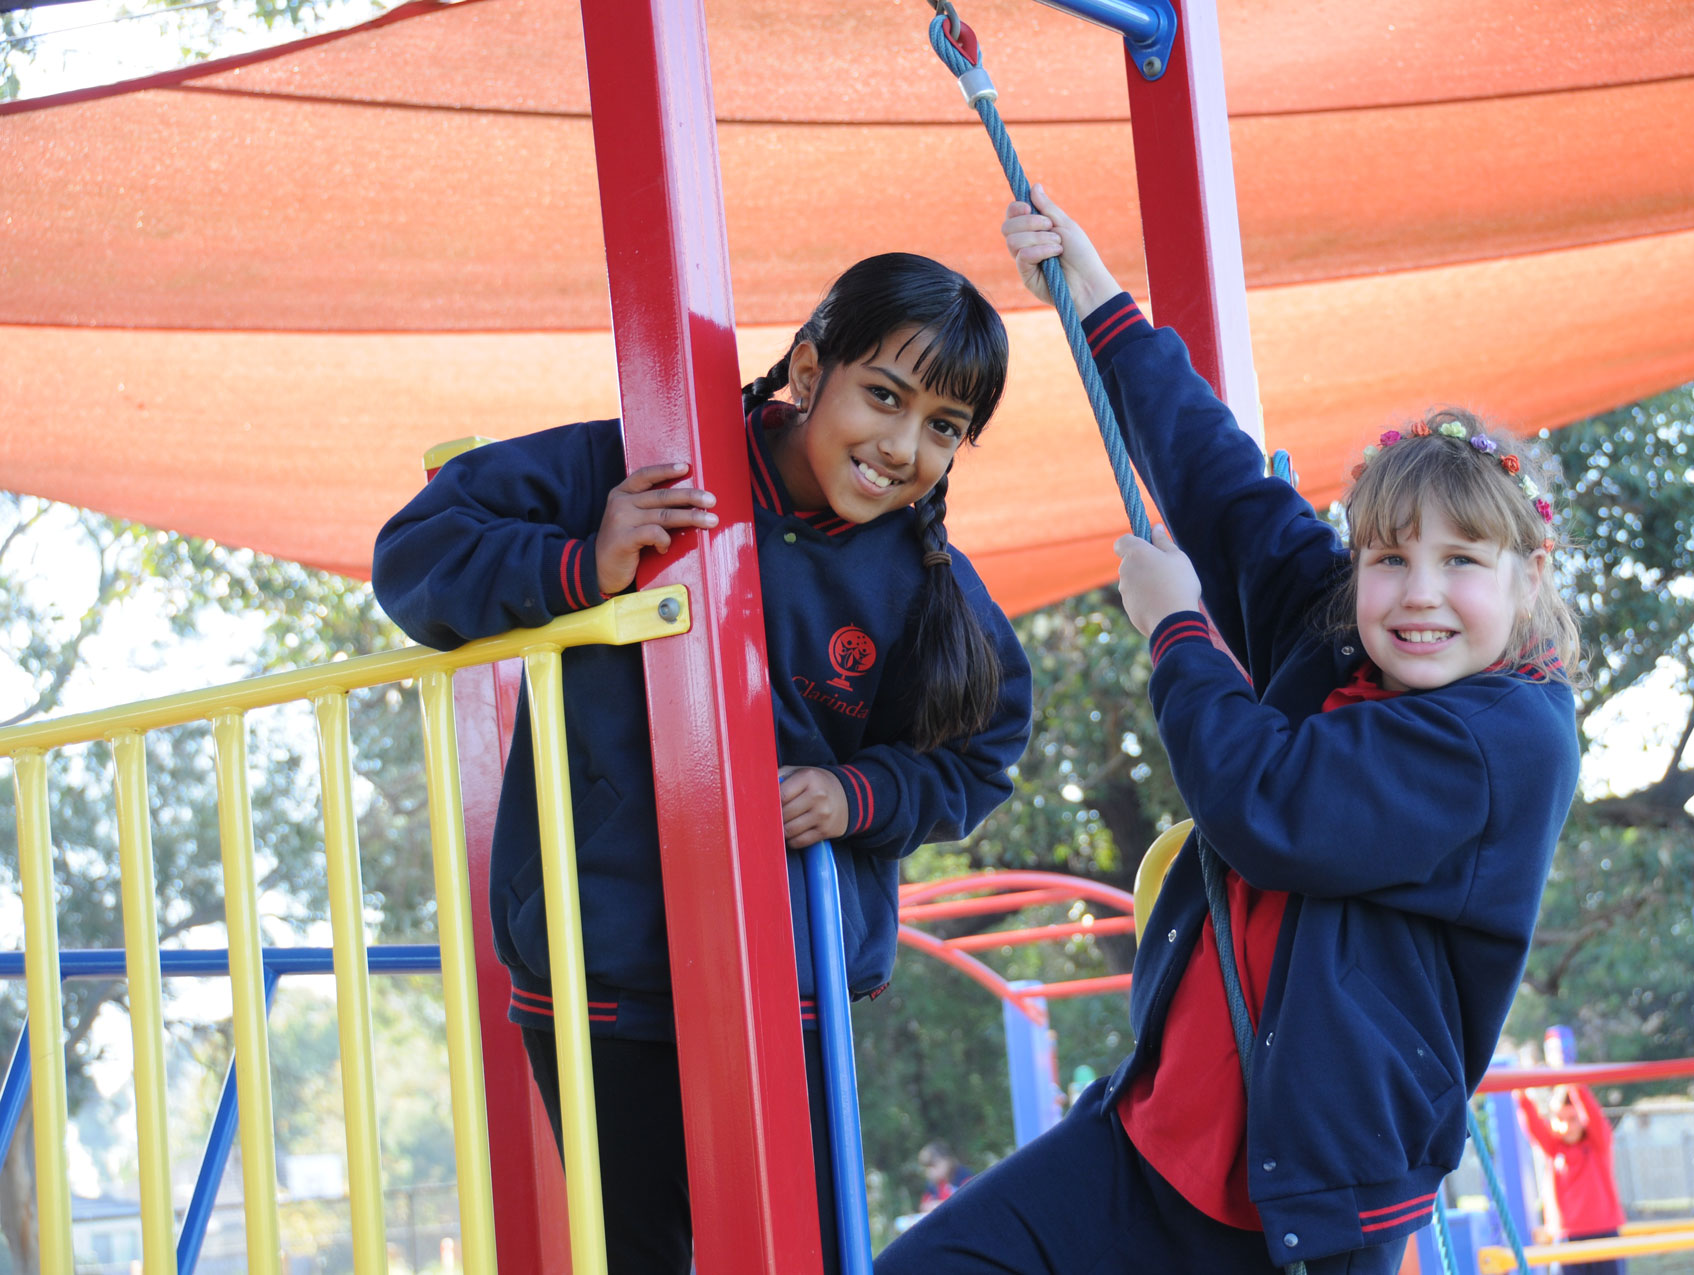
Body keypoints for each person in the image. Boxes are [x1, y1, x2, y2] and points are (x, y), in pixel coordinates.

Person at [875, 190, 1583, 1275]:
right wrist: (1101, 299)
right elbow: (1223, 487)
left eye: (1461, 563)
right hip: (1151, 1140)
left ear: (1528, 578)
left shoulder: (1502, 738)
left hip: (1299, 1206)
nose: (1418, 594)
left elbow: (1272, 804)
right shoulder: (1342, 628)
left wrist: (1178, 632)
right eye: (1388, 558)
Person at [372, 253, 1033, 1274]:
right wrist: (579, 566)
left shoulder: (922, 575)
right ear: (809, 370)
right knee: (642, 1255)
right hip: (602, 967)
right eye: (885, 397)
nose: (903, 447)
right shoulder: (642, 465)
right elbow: (416, 552)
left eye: (944, 426)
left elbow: (985, 748)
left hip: (792, 976)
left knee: (794, 1250)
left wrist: (861, 795)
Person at [1518, 1035, 1626, 1274]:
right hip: (1567, 1235)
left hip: (1603, 1233)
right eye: (1560, 1119)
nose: (1567, 1126)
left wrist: (1568, 1076)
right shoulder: (1554, 1149)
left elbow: (1591, 1112)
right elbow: (1532, 1122)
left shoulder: (1598, 1144)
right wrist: (1523, 1085)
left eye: (1573, 1119)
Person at [918, 1141, 976, 1212]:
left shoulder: (964, 1176)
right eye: (927, 1168)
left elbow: (969, 1201)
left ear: (947, 1160)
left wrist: (941, 1204)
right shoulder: (934, 1184)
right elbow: (924, 1205)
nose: (930, 1172)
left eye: (933, 1166)